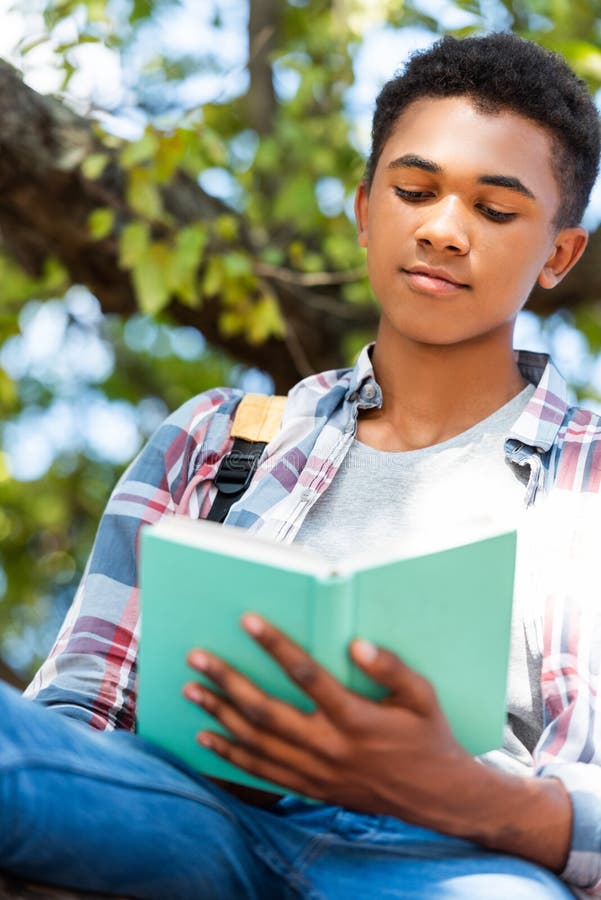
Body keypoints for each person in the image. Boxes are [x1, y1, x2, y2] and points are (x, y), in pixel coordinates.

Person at [2, 31, 601, 899]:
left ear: (556, 255)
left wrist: (471, 795)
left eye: (494, 211)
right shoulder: (216, 435)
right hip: (188, 811)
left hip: (454, 859)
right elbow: (77, 714)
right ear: (363, 210)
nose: (441, 230)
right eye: (413, 191)